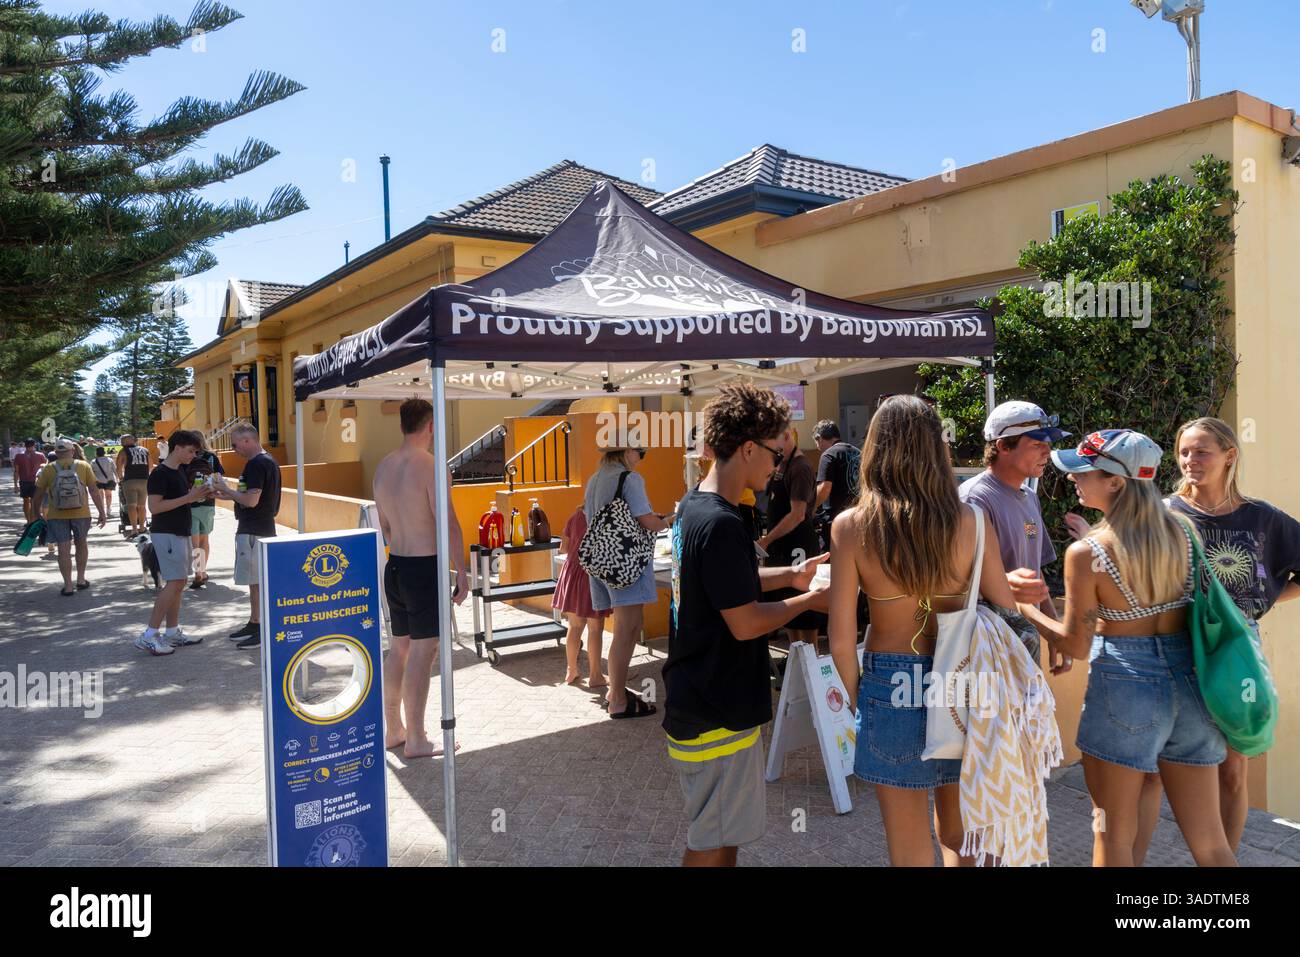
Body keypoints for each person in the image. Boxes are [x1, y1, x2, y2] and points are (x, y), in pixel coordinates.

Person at [1020, 428, 1236, 867]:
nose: (1074, 479)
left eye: (1084, 472)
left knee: (1112, 834)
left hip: (1125, 688)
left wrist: (1026, 610)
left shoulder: (1088, 552)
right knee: (1212, 844)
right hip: (1191, 686)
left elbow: (1074, 646)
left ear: (1116, 482)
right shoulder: (1184, 530)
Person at [827, 396, 1022, 866]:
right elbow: (1005, 602)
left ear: (875, 448)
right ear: (938, 449)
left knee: (908, 842)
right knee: (966, 830)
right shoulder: (972, 520)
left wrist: (861, 698)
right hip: (962, 681)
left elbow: (839, 639)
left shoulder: (851, 527)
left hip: (889, 681)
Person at [1116, 417, 1300, 864]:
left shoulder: (1265, 519)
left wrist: (1259, 606)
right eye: (1184, 452)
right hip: (1172, 649)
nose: (1190, 461)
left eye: (1202, 451)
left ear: (1229, 455)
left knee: (1234, 770)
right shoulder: (1163, 513)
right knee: (1155, 771)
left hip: (1236, 654)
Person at [665, 383, 827, 866]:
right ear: (749, 448)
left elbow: (727, 581)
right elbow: (747, 622)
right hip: (715, 709)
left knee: (721, 836)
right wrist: (811, 600)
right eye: (776, 455)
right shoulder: (721, 522)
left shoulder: (697, 506)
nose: (777, 468)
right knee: (710, 844)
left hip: (704, 700)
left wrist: (791, 576)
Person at [371, 399, 469, 758]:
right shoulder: (430, 466)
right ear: (431, 426)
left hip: (395, 566)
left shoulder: (383, 467)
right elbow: (449, 524)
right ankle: (417, 738)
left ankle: (394, 730)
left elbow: (384, 525)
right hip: (424, 568)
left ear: (402, 425)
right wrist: (462, 571)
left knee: (400, 648)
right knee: (423, 651)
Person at [959, 400, 1073, 673]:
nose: (1047, 451)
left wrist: (1052, 625)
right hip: (987, 649)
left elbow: (1035, 572)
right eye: (1037, 444)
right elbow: (959, 581)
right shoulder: (972, 500)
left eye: (1049, 443)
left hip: (1025, 642)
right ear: (1002, 445)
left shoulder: (1030, 496)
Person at [584, 445, 673, 719]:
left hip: (602, 559)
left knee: (626, 629)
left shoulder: (595, 478)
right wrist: (673, 518)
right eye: (641, 452)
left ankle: (616, 692)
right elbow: (647, 522)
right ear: (627, 452)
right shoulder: (630, 479)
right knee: (627, 630)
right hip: (626, 562)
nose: (642, 458)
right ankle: (619, 699)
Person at [136, 430, 210, 655]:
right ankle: (149, 635)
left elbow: (176, 501)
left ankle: (172, 632)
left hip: (179, 532)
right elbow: (155, 507)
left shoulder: (179, 470)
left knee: (179, 584)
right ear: (177, 447)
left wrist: (195, 495)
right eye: (190, 451)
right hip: (167, 534)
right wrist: (188, 497)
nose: (193, 455)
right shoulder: (160, 473)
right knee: (175, 583)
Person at [210, 423, 282, 649]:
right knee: (255, 582)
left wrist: (227, 489)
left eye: (234, 444)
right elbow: (247, 497)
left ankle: (262, 629)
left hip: (254, 530)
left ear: (247, 440)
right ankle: (255, 622)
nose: (233, 449)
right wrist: (223, 493)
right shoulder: (265, 461)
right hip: (259, 527)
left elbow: (251, 500)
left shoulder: (257, 464)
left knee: (257, 582)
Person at [758, 426, 824, 650]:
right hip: (780, 547)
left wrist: (766, 540)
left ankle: (811, 657)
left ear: (787, 436)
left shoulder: (800, 467)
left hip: (798, 546)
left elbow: (797, 514)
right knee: (784, 604)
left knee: (805, 607)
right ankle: (796, 655)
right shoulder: (781, 464)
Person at [31, 439, 106, 595]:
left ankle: (68, 586)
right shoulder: (83, 466)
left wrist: (36, 513)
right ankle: (81, 580)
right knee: (81, 544)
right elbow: (93, 490)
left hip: (57, 514)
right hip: (81, 513)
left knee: (63, 549)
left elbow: (37, 495)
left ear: (56, 453)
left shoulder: (48, 469)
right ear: (72, 451)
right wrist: (102, 512)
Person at [552, 504, 609, 689]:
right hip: (592, 575)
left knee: (574, 625)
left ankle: (571, 670)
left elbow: (563, 548)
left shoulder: (575, 516)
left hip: (572, 573)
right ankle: (595, 675)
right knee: (595, 628)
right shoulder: (603, 518)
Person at [184, 433, 225, 588]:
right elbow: (218, 476)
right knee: (204, 539)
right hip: (208, 501)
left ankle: (198, 572)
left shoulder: (186, 456)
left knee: (194, 541)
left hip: (190, 501)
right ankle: (203, 570)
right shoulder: (211, 457)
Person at [811, 419, 860, 549]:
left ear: (819, 438)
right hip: (859, 517)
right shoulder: (858, 453)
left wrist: (811, 507)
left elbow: (824, 488)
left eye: (816, 442)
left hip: (836, 521)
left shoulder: (828, 455)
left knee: (829, 561)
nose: (817, 447)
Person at [116, 434, 151, 539]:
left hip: (130, 480)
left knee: (131, 505)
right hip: (144, 480)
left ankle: (134, 530)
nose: (121, 443)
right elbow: (150, 465)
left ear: (125, 442)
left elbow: (118, 466)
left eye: (122, 441)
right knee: (142, 505)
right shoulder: (145, 450)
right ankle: (142, 528)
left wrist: (121, 478)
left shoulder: (123, 451)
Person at [14, 438, 45, 524]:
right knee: (34, 501)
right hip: (36, 481)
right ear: (34, 445)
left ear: (25, 445)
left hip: (23, 481)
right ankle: (33, 521)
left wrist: (15, 485)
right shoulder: (40, 455)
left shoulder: (18, 456)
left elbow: (16, 471)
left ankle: (28, 521)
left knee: (26, 501)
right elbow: (45, 469)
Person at [90, 446, 117, 518]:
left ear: (96, 453)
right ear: (104, 453)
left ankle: (102, 512)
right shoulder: (110, 460)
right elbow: (115, 470)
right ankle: (108, 510)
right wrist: (118, 479)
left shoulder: (93, 461)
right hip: (109, 480)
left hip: (98, 481)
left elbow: (91, 472)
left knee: (101, 496)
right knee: (108, 496)